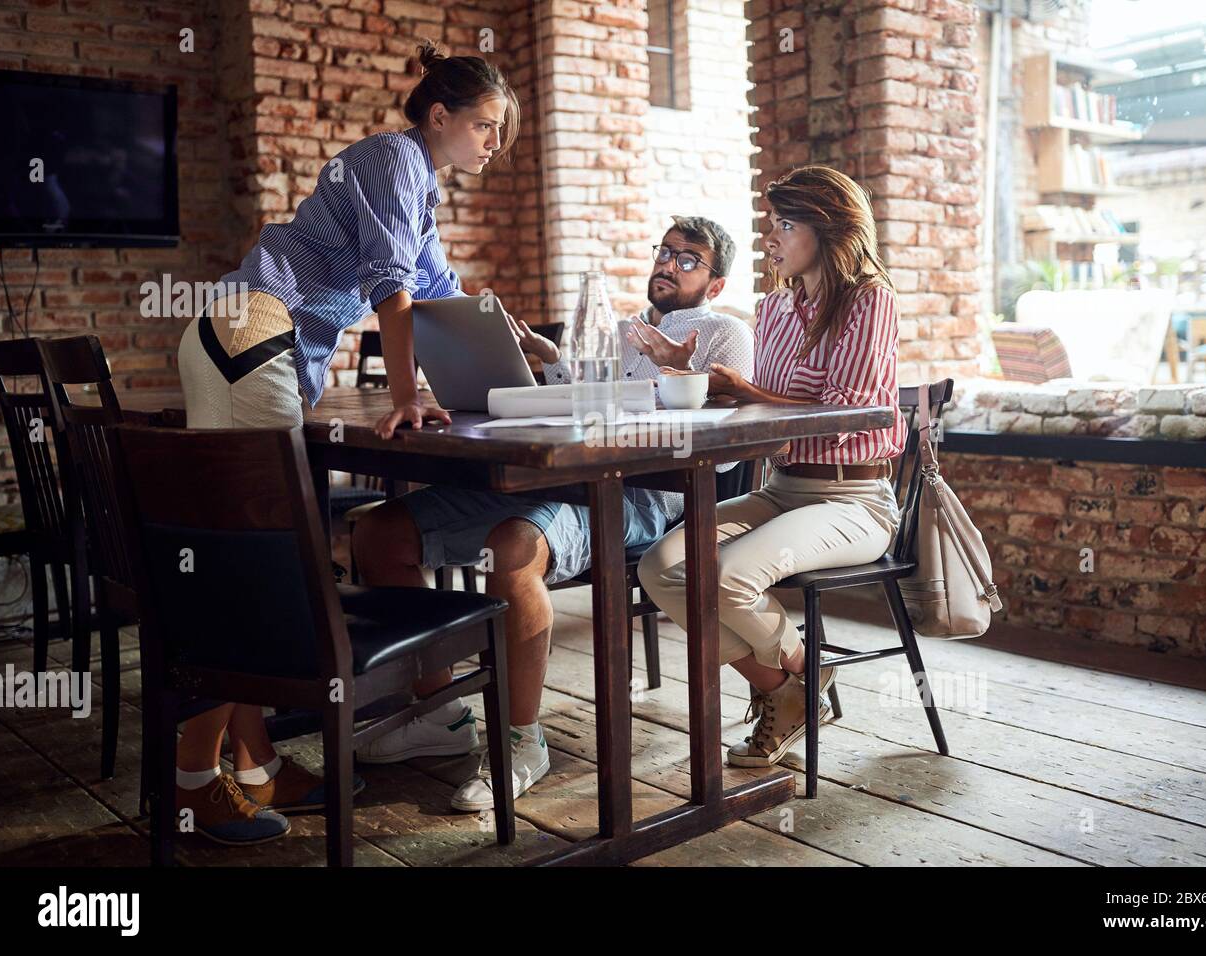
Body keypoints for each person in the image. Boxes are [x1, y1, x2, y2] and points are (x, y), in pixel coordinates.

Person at [170, 39, 519, 844]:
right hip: (251, 333)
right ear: (442, 117)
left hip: (248, 337)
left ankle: (256, 765)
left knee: (259, 556)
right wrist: (405, 397)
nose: (494, 146)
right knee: (254, 564)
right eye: (486, 127)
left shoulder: (415, 187)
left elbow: (437, 293)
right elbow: (393, 292)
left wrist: (522, 340)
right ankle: (194, 779)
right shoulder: (396, 158)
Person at [352, 216, 754, 812]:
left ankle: (521, 740)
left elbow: (714, 435)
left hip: (642, 493)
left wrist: (675, 367)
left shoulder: (726, 332)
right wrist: (547, 363)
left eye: (687, 259)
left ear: (716, 284)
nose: (667, 265)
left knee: (513, 548)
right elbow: (586, 407)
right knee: (380, 531)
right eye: (664, 252)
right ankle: (440, 715)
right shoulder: (619, 329)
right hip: (559, 476)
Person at [637, 165, 908, 768]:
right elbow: (764, 401)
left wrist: (749, 393)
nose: (771, 238)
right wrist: (701, 377)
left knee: (726, 576)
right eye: (771, 224)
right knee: (660, 567)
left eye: (785, 224)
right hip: (783, 489)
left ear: (828, 228)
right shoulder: (777, 308)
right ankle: (789, 687)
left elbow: (853, 411)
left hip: (852, 501)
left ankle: (798, 685)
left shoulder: (870, 300)